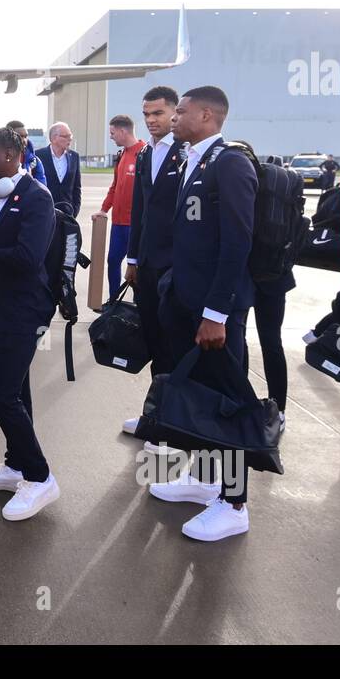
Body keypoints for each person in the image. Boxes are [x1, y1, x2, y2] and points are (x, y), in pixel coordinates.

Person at [149, 86, 258, 542]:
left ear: (208, 115)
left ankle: (234, 504)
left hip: (216, 310)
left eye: (184, 112)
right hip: (187, 300)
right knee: (201, 395)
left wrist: (216, 312)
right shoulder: (194, 157)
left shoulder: (230, 162)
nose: (175, 118)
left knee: (226, 404)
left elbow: (237, 243)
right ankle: (206, 477)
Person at [0, 127, 62, 521]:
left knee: (3, 396)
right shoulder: (1, 194)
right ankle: (15, 464)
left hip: (25, 311)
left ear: (10, 155)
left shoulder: (37, 199)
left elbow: (28, 257)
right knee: (18, 392)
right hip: (2, 307)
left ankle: (40, 477)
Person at [121, 87, 186, 421]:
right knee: (154, 340)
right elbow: (139, 210)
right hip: (147, 264)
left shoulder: (189, 153)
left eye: (157, 113)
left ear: (176, 113)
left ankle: (172, 419)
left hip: (177, 267)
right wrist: (132, 259)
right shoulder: (146, 153)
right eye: (146, 114)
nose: (150, 120)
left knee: (176, 345)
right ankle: (156, 413)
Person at [231, 140, 295, 423]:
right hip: (276, 274)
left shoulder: (239, 182)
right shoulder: (277, 187)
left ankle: (240, 399)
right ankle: (278, 408)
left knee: (238, 340)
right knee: (272, 342)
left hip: (245, 273)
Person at [96, 114, 146, 294]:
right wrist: (103, 209)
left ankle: (139, 306)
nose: (110, 136)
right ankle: (113, 300)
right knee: (113, 261)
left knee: (138, 268)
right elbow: (115, 186)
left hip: (136, 224)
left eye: (112, 132)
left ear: (123, 131)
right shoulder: (121, 155)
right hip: (118, 224)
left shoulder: (145, 152)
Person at [36, 121, 80, 214]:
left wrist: (75, 210)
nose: (70, 139)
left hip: (67, 213)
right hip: (44, 212)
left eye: (70, 136)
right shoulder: (38, 156)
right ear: (54, 138)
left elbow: (77, 187)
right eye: (66, 136)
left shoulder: (74, 157)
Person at [7, 120, 46, 186]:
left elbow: (41, 187)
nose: (24, 140)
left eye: (25, 136)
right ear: (8, 137)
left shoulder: (34, 161)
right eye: (20, 136)